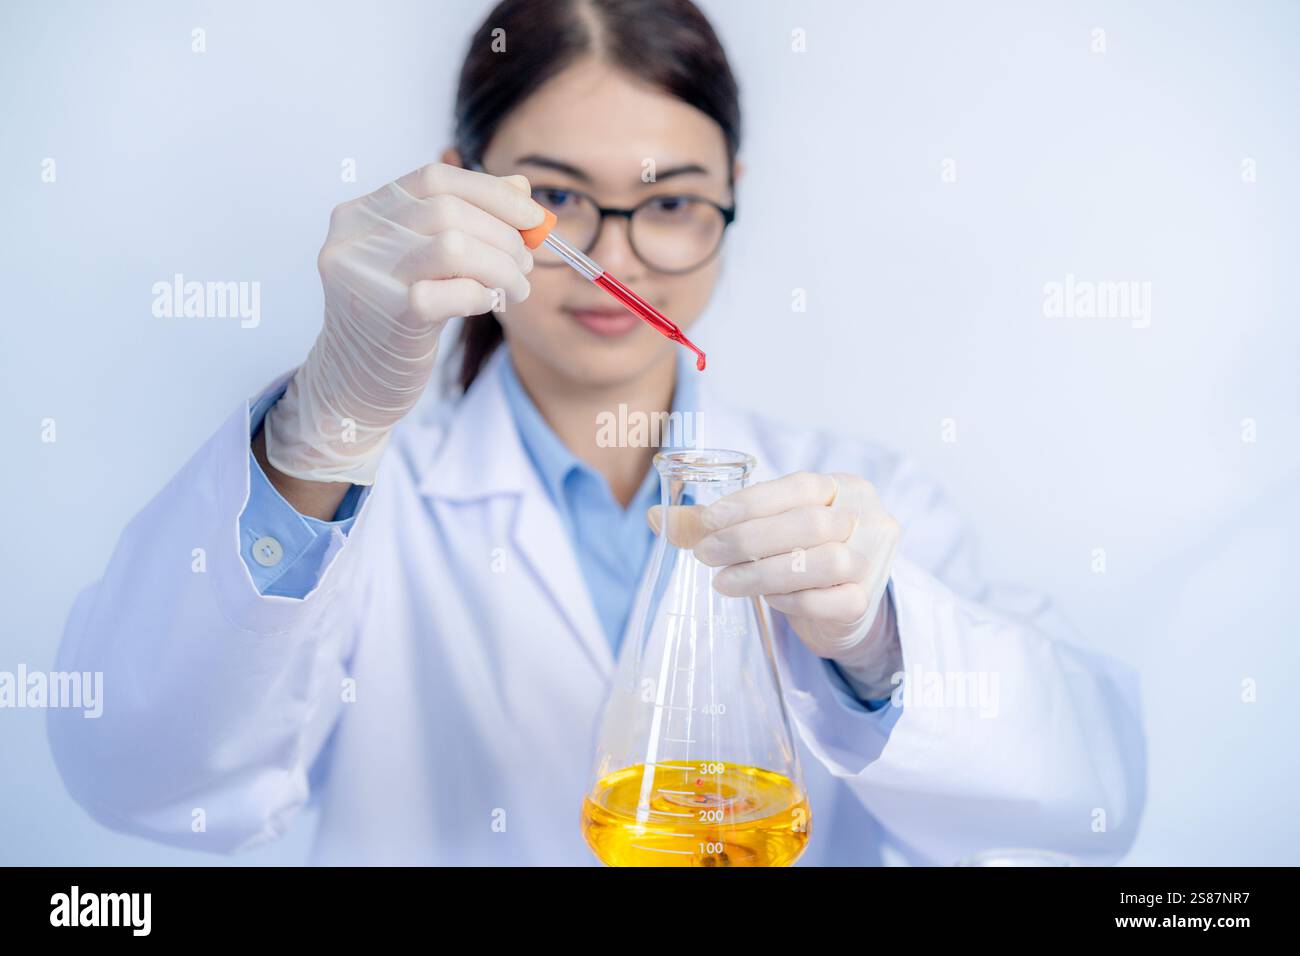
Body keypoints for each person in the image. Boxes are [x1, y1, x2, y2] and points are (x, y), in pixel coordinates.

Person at [47, 0, 1145, 865]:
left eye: (669, 203)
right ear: (466, 189)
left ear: (732, 195)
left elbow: (1090, 800)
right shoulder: (359, 505)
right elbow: (137, 772)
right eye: (557, 198)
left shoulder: (858, 493)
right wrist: (323, 425)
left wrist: (877, 646)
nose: (613, 262)